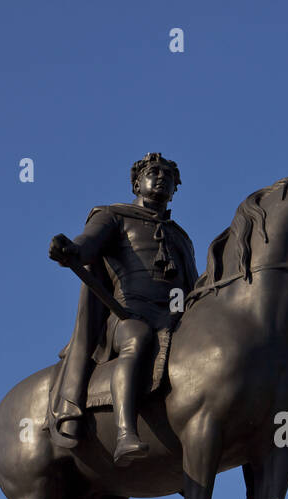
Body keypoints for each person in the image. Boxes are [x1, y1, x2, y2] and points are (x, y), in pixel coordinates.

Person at [47, 153, 197, 464]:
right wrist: (71, 249)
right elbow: (87, 244)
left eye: (168, 176)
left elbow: (193, 287)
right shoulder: (114, 216)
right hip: (127, 314)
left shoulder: (181, 237)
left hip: (173, 318)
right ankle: (125, 433)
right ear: (137, 183)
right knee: (137, 338)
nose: (160, 178)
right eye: (153, 172)